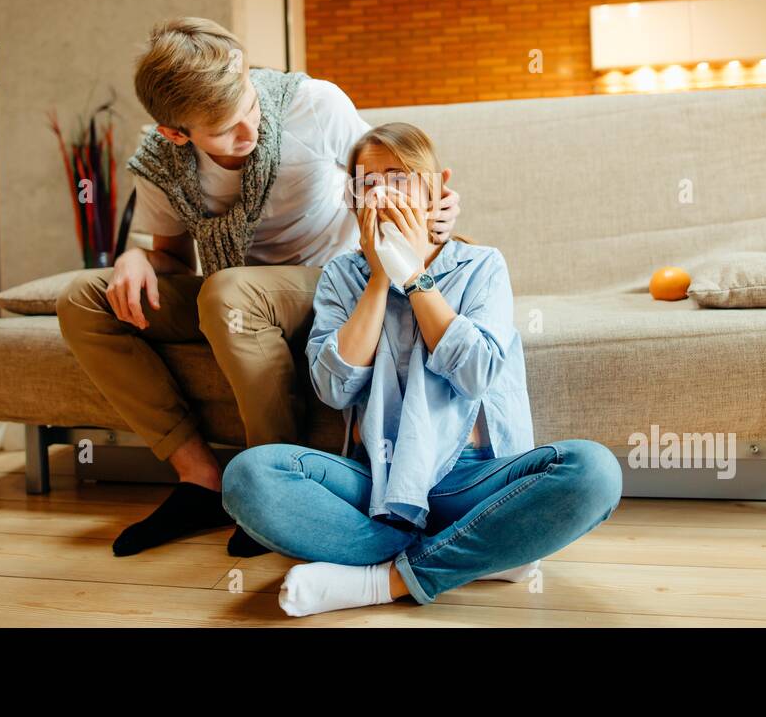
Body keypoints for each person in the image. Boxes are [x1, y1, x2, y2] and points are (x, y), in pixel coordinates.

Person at [56, 18, 462, 558]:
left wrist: (435, 206)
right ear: (177, 134)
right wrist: (134, 255)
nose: (249, 130)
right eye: (225, 129)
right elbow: (173, 257)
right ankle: (200, 480)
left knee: (225, 293)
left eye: (248, 104)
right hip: (234, 294)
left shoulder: (314, 106)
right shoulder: (160, 162)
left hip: (330, 281)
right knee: (84, 298)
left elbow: (391, 171)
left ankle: (275, 487)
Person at [221, 122, 623, 616]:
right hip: (380, 484)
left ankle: (380, 582)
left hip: (471, 481)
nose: (385, 192)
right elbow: (332, 387)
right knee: (249, 476)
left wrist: (413, 275)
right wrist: (378, 278)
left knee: (594, 472)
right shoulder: (341, 276)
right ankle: (480, 552)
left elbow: (476, 373)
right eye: (370, 182)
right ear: (354, 199)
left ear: (438, 187)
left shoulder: (482, 266)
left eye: (401, 176)